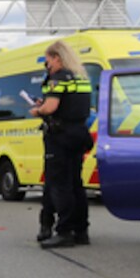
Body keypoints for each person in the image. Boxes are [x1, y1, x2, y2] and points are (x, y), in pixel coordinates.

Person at [28, 40, 94, 248]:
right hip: (79, 134)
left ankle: (64, 231)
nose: (47, 66)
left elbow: (51, 107)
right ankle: (81, 231)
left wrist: (38, 110)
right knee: (76, 184)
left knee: (59, 185)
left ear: (57, 58)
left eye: (48, 61)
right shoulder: (81, 78)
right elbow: (72, 104)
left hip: (60, 136)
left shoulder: (57, 78)